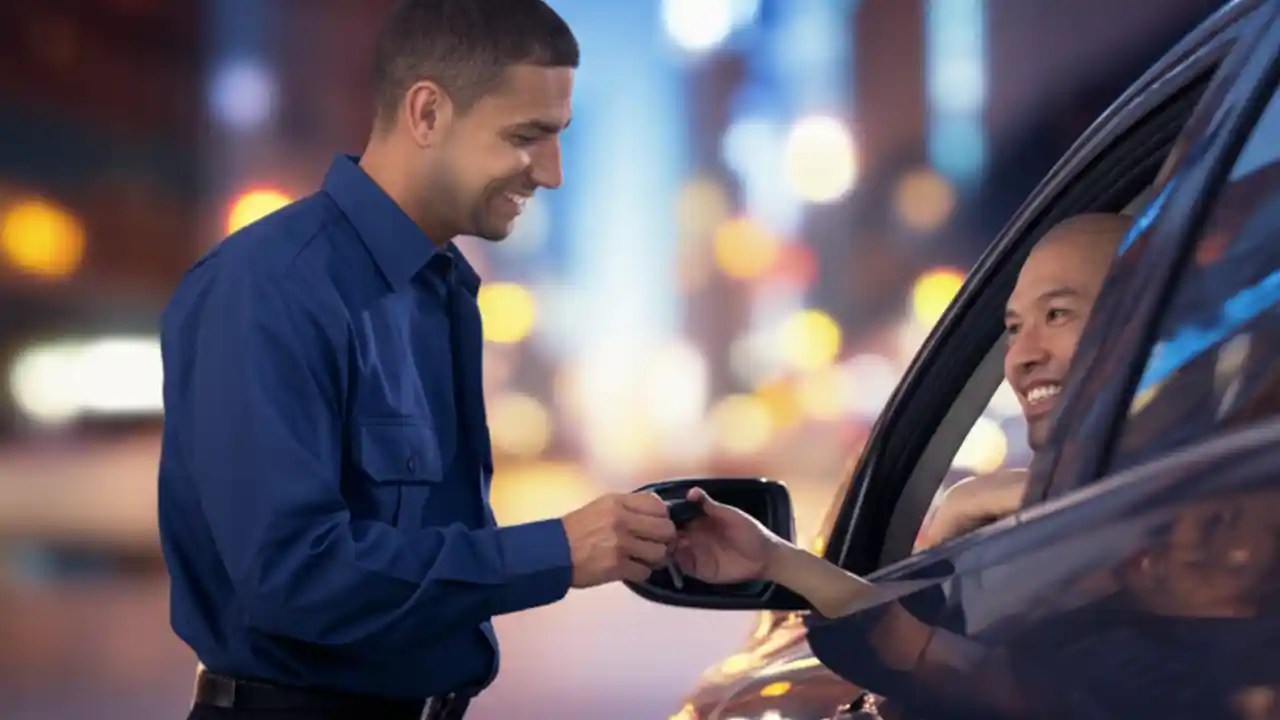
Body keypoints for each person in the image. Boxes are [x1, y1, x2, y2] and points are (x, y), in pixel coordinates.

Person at [158, 3, 676, 719]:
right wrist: (555, 550)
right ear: (427, 113)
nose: (552, 174)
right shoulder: (269, 288)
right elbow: (291, 576)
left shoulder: (442, 290)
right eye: (527, 136)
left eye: (558, 138)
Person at [672, 212, 1132, 619]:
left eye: (1057, 314)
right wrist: (773, 560)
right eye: (1014, 328)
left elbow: (939, 665)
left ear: (1145, 317)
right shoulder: (1103, 500)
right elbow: (932, 656)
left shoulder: (1168, 523)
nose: (1020, 357)